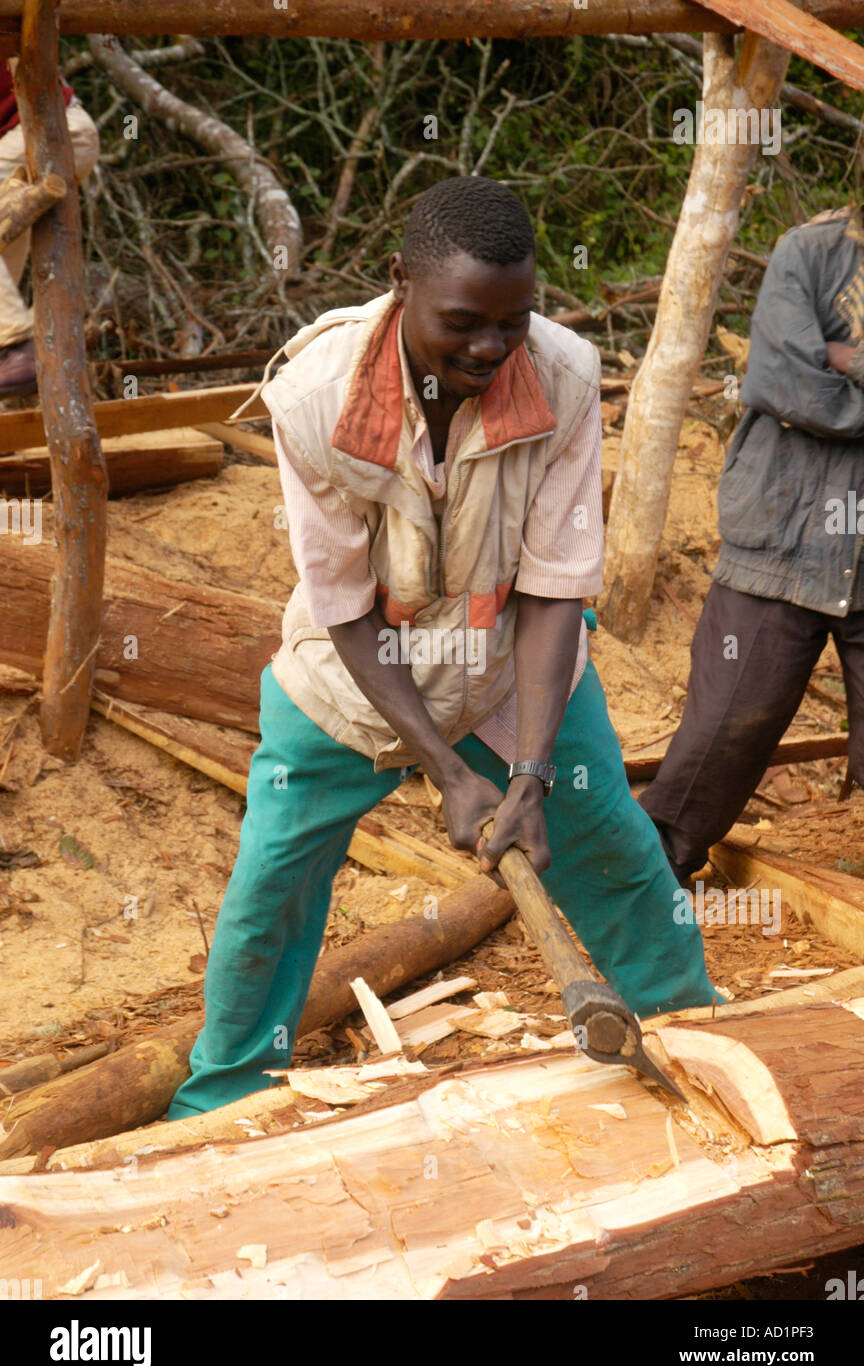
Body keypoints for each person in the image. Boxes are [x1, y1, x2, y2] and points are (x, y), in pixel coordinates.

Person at [168, 176, 719, 1119]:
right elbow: (344, 607)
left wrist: (531, 776)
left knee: (619, 859)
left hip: (514, 664)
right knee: (274, 886)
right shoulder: (311, 400)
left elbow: (553, 591)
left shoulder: (567, 377)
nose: (490, 347)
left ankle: (697, 1040)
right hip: (351, 680)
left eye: (515, 320)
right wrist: (448, 774)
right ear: (399, 284)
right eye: (463, 321)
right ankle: (219, 1104)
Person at [640, 196, 864, 883]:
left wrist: (845, 359)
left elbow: (824, 382)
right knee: (720, 736)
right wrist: (825, 370)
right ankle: (647, 882)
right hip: (785, 534)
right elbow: (791, 384)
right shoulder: (811, 251)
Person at [0, 57, 100, 396]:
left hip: (53, 129)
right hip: (35, 136)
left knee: (7, 325)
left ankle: (18, 344)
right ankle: (13, 351)